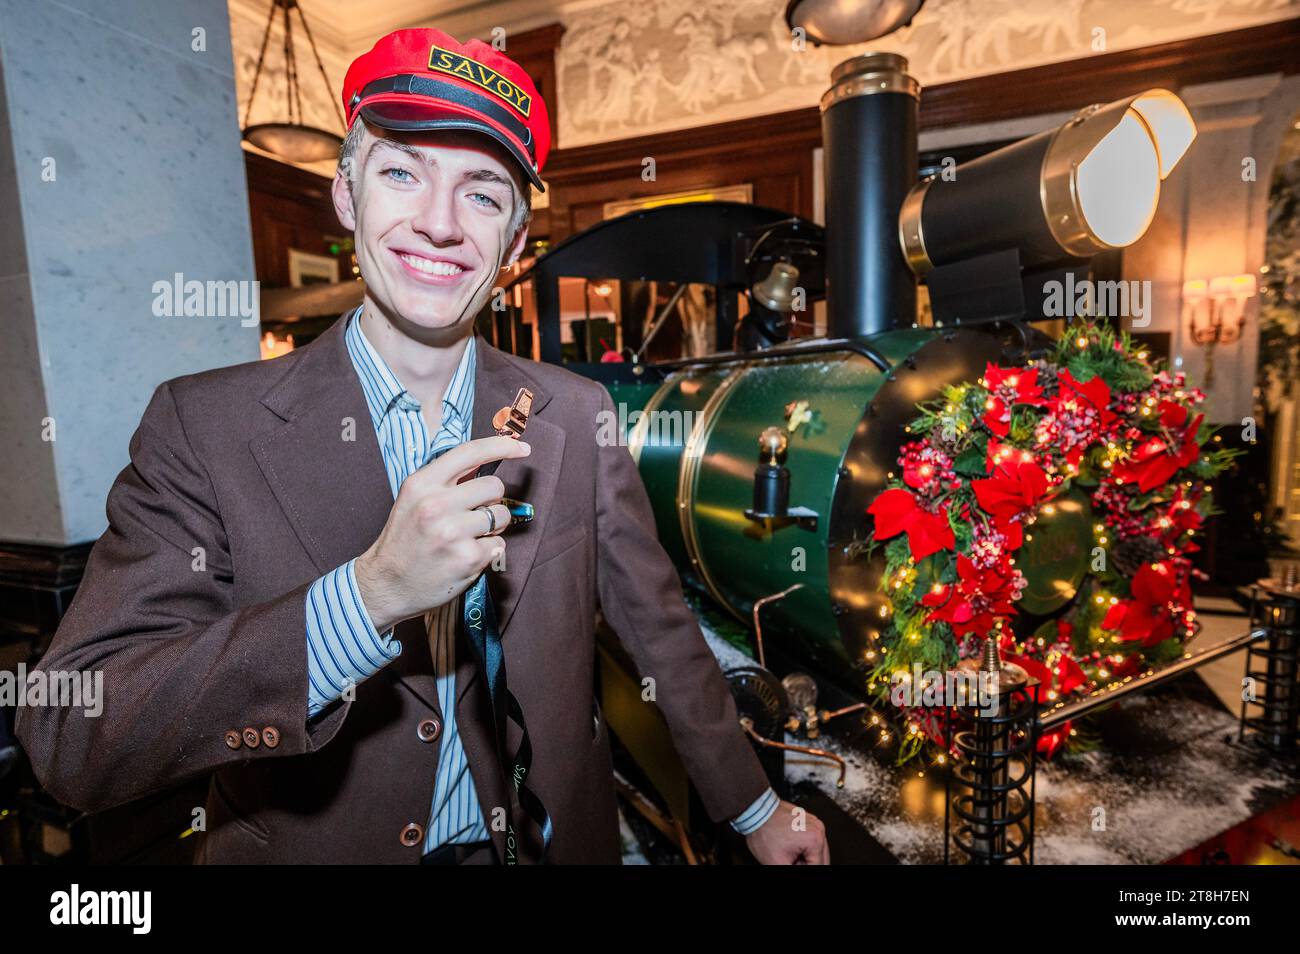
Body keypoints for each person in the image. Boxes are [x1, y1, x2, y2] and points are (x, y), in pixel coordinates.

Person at [16, 28, 828, 865]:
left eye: (482, 192)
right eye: (401, 172)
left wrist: (755, 808)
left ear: (514, 244)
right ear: (346, 196)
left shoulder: (576, 412)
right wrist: (364, 599)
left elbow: (661, 630)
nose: (439, 224)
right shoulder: (204, 426)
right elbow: (73, 734)